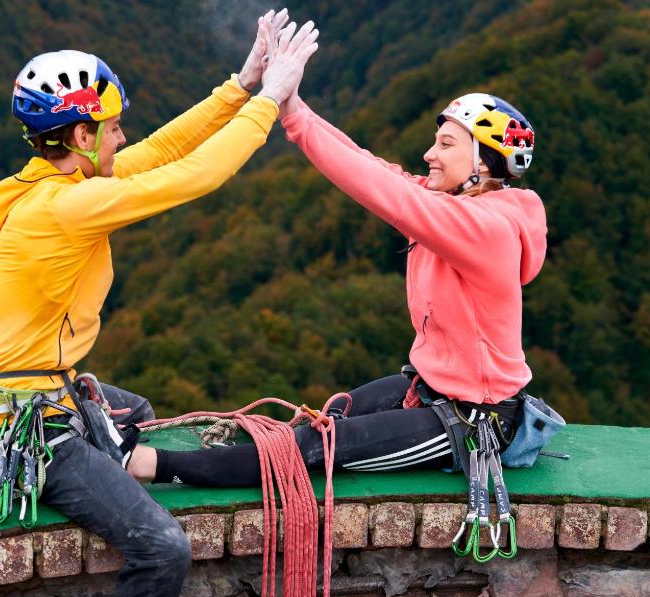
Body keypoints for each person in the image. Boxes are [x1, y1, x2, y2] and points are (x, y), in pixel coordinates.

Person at [0, 11, 319, 597]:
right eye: (111, 128)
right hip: (33, 428)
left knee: (137, 415)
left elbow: (161, 151)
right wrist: (269, 100)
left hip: (30, 393)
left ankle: (112, 470)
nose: (123, 138)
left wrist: (240, 85)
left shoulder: (47, 185)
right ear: (81, 138)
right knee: (162, 547)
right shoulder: (66, 209)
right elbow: (196, 175)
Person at [127, 89, 545, 488]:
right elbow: (374, 166)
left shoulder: (486, 228)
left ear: (483, 163)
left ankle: (153, 465)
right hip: (432, 388)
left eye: (446, 144)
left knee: (313, 446)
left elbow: (383, 190)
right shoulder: (458, 206)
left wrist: (293, 116)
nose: (429, 154)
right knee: (330, 414)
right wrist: (294, 110)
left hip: (475, 419)